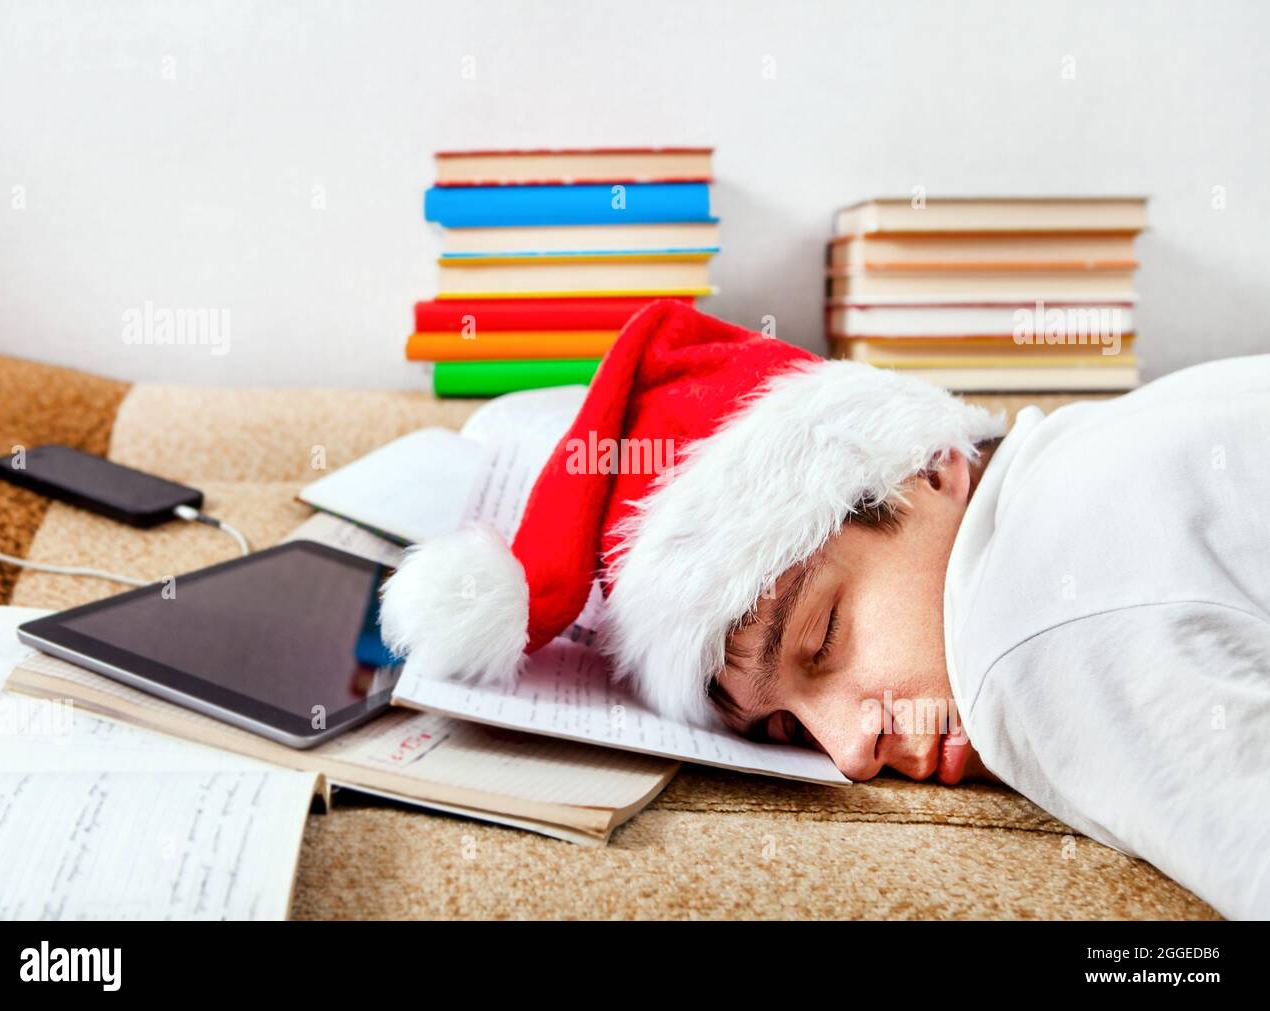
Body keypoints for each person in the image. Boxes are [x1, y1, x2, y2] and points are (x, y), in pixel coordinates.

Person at [380, 300, 1269, 919]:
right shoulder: (1108, 437)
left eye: (824, 637)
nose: (850, 751)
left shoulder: (1023, 642)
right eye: (785, 730)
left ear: (930, 468)